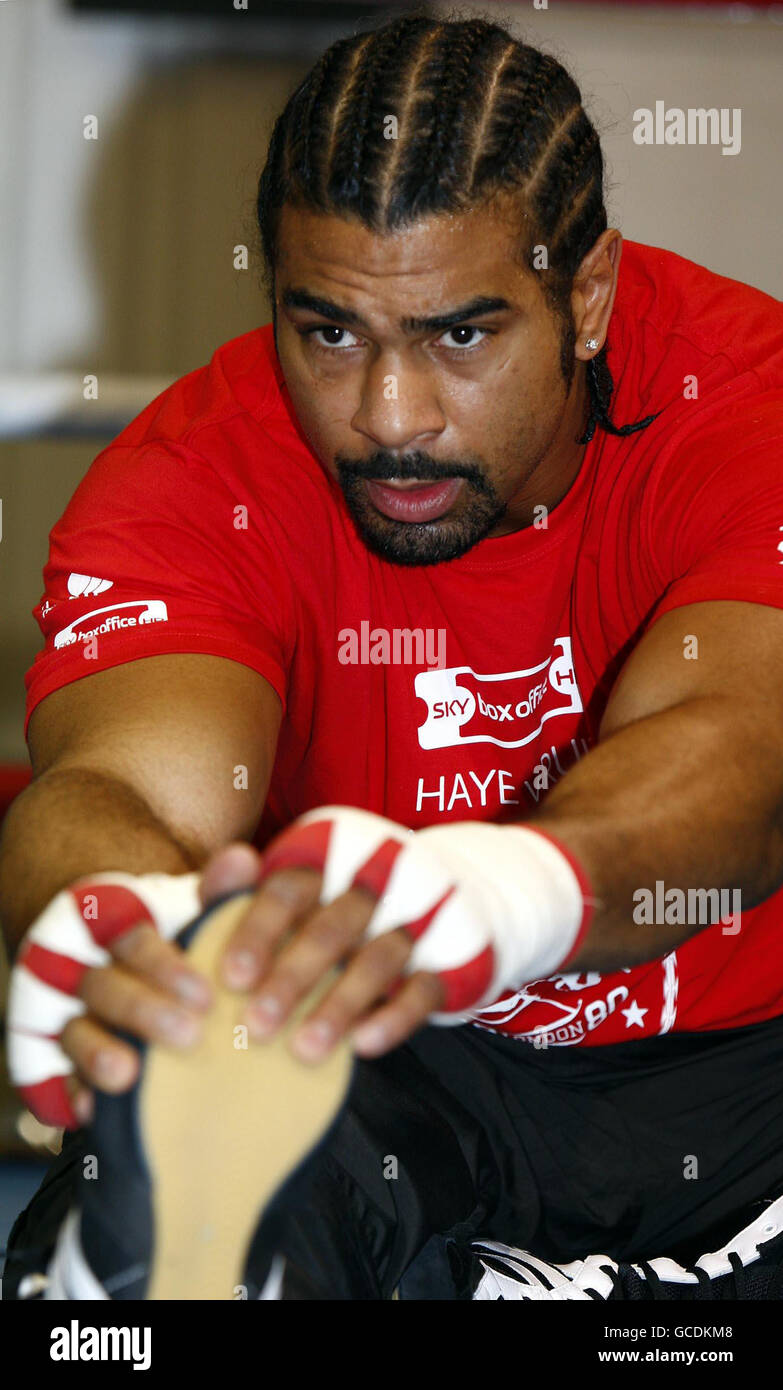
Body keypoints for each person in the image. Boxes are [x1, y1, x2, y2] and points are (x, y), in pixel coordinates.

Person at [4, 10, 783, 1301]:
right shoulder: (202, 471)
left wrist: (496, 895)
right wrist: (127, 929)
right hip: (389, 1061)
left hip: (750, 1067)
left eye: (459, 336)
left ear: (584, 295)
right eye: (330, 333)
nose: (388, 415)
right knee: (148, 1252)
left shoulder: (746, 406)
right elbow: (120, 787)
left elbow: (747, 754)